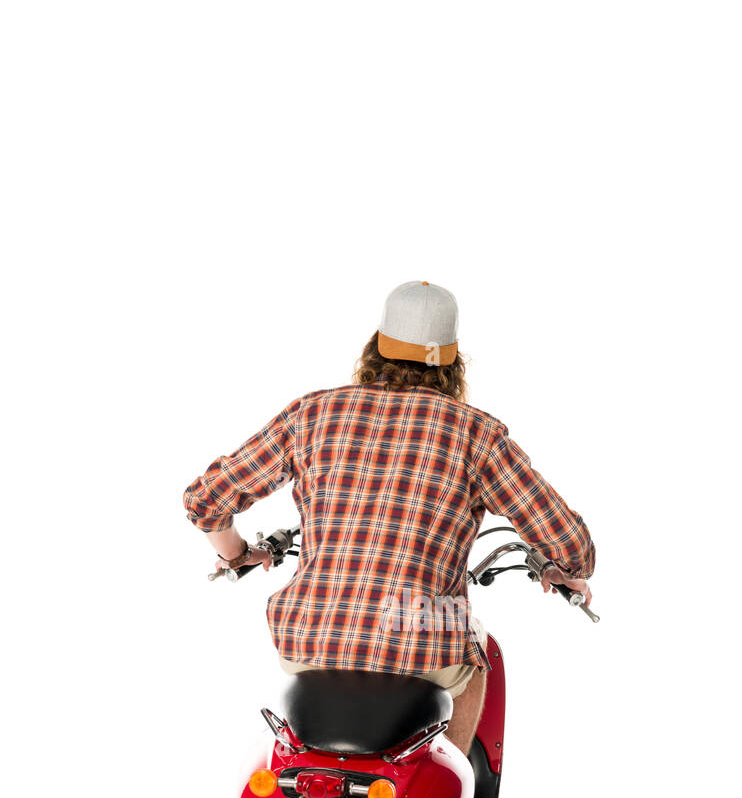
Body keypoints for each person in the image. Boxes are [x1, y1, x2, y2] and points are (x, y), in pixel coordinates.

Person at [183, 281, 595, 753]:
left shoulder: (312, 413)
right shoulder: (476, 434)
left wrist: (237, 553)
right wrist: (569, 571)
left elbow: (206, 499)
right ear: (453, 363)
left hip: (307, 636)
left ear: (375, 348)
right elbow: (570, 544)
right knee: (478, 655)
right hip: (421, 634)